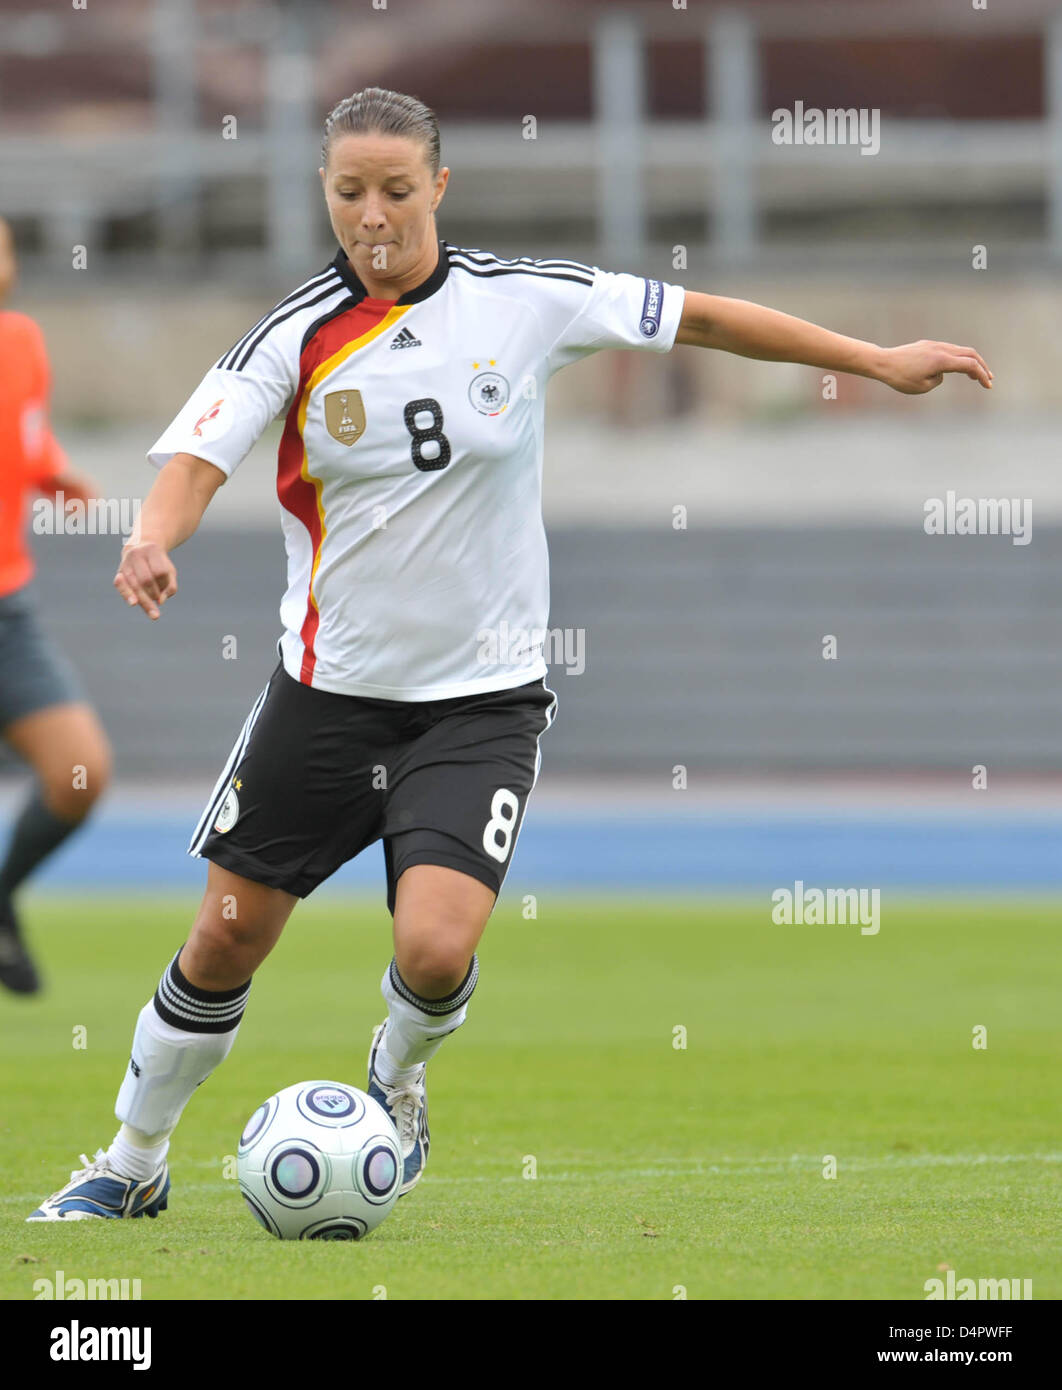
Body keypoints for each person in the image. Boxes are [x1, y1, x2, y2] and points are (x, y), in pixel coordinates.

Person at [27, 87, 991, 1222]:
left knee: (434, 951)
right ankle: (133, 1160)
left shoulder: (526, 301)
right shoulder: (292, 336)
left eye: (395, 189)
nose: (372, 214)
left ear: (439, 185)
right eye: (348, 193)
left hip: (480, 704)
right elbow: (196, 462)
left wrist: (874, 360)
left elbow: (705, 316)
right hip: (327, 699)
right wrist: (148, 535)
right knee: (224, 939)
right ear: (324, 196)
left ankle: (396, 1073)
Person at [0, 216, 112, 996]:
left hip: (8, 610)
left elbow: (25, 440)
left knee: (80, 774)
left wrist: (55, 473)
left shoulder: (21, 342)